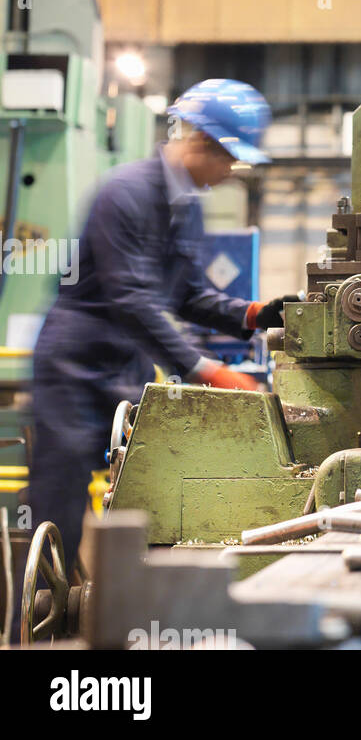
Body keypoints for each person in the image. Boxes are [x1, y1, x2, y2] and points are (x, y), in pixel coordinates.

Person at [25, 78, 297, 579]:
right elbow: (131, 297)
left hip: (125, 364)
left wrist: (253, 314)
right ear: (199, 142)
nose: (230, 171)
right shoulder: (123, 193)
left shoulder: (186, 206)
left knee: (147, 485)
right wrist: (204, 369)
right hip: (75, 367)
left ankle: (129, 603)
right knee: (59, 501)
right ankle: (44, 612)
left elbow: (187, 294)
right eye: (228, 158)